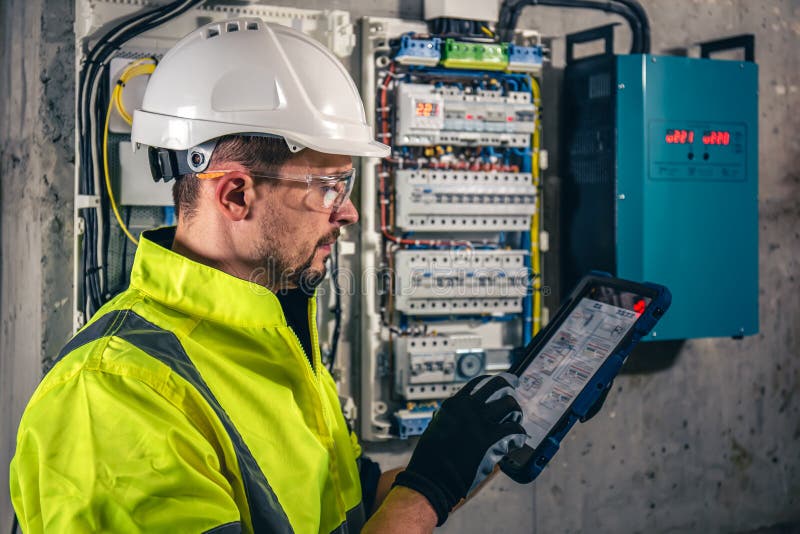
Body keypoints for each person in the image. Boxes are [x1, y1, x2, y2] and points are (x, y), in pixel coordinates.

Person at [10, 19, 527, 533]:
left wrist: (474, 448)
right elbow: (410, 505)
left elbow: (351, 511)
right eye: (330, 186)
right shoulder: (113, 395)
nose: (349, 213)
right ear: (235, 194)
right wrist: (429, 489)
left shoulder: (269, 339)